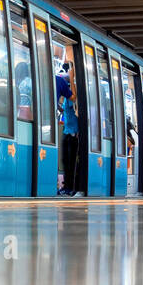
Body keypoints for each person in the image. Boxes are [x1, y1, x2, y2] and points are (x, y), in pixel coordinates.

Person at [59, 64, 81, 195]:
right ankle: (66, 186)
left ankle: (70, 187)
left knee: (71, 161)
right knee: (65, 161)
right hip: (67, 130)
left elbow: (75, 109)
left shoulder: (74, 95)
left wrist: (71, 78)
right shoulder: (68, 97)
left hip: (73, 133)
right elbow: (67, 110)